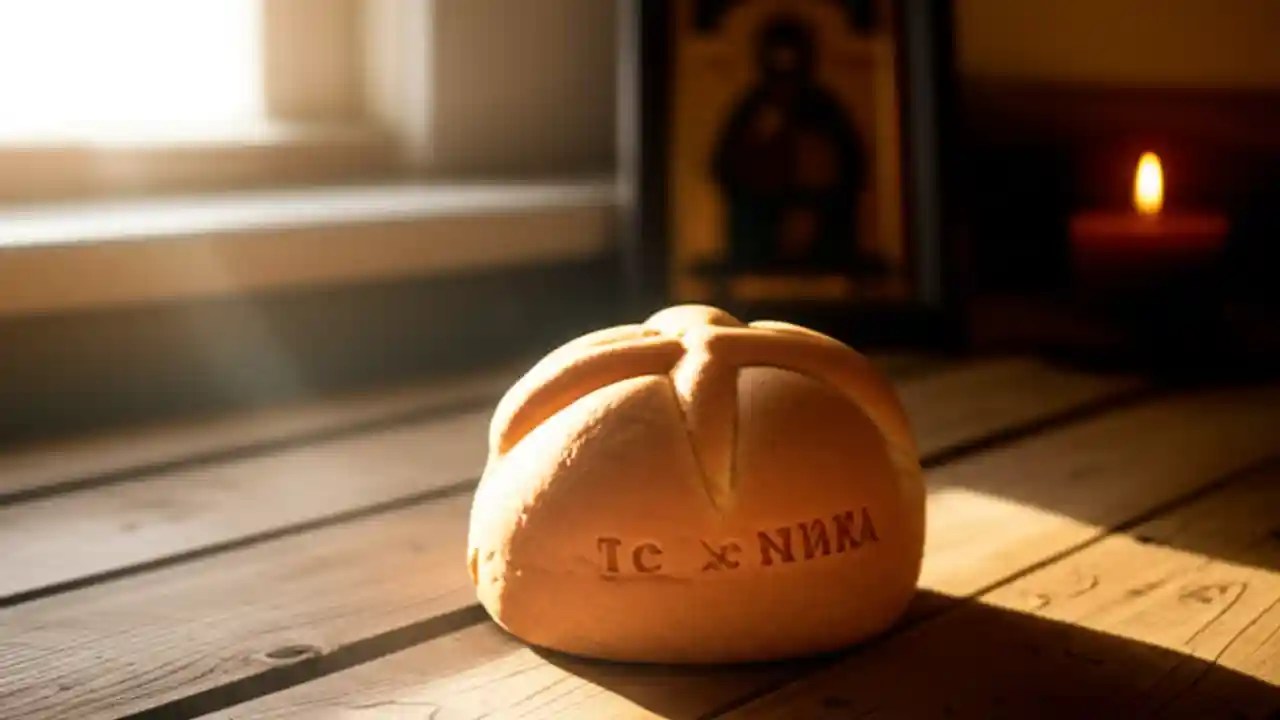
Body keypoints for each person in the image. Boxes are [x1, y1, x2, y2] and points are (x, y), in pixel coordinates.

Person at [712, 15, 869, 274]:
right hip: (762, 214)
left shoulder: (823, 105)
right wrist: (758, 142)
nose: (785, 60)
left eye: (791, 52)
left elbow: (850, 163)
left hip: (821, 212)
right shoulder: (753, 105)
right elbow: (725, 164)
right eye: (778, 53)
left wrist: (814, 192)